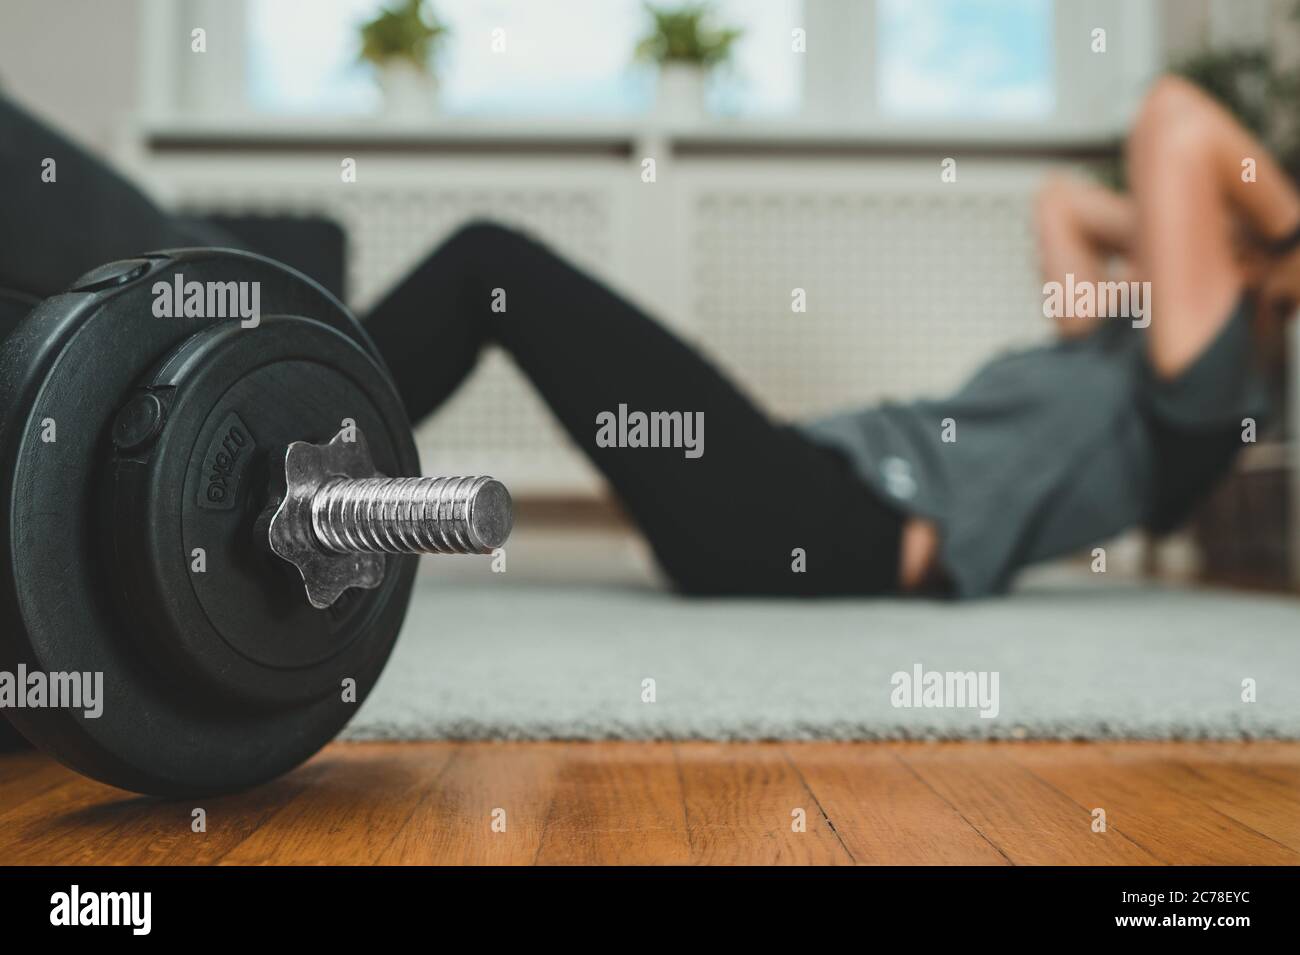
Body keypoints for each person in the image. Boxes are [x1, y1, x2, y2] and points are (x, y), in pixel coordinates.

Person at [4, 76, 1298, 599]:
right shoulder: (1127, 357)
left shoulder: (1206, 395)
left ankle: (241, 424)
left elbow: (1177, 119)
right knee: (496, 272)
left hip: (840, 529)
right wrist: (1236, 247)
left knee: (492, 269)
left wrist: (1279, 230)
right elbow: (1066, 207)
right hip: (802, 499)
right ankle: (244, 442)